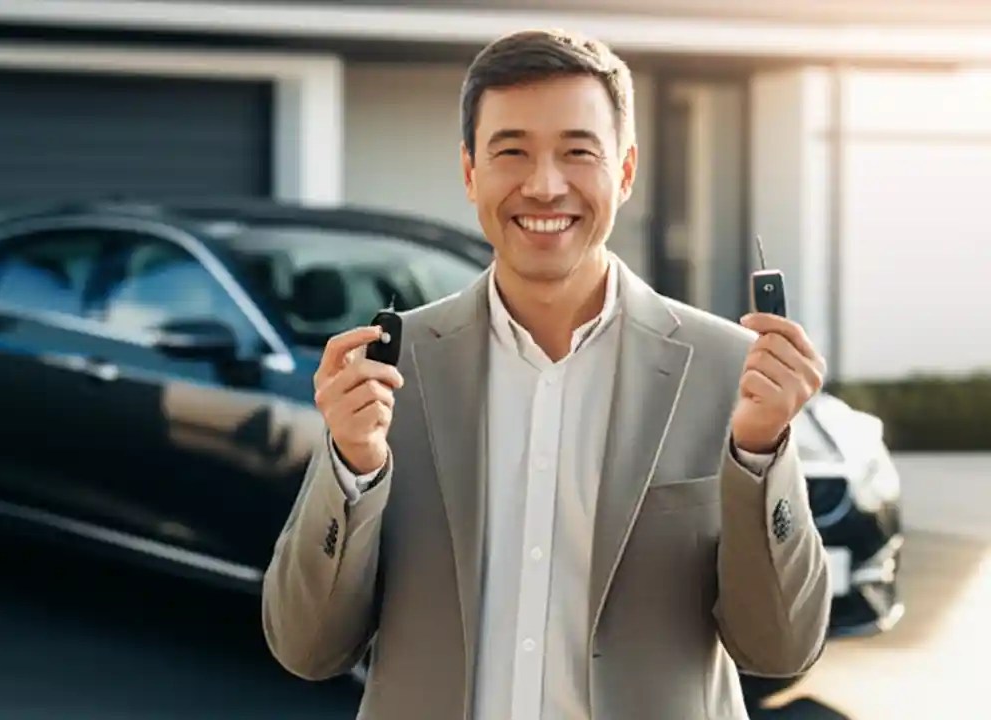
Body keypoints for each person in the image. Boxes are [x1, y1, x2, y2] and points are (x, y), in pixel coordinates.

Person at [262, 28, 831, 720]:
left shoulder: (727, 371)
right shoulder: (388, 374)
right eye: (512, 152)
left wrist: (761, 452)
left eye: (577, 151)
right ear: (471, 172)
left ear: (624, 171)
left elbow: (780, 650)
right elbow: (305, 647)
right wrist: (351, 466)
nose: (544, 185)